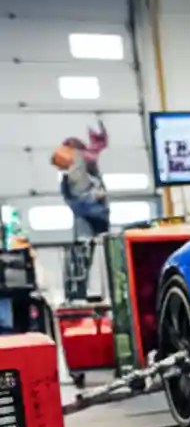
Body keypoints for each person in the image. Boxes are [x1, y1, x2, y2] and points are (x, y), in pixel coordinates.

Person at [51, 122, 110, 299]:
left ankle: (77, 293)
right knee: (84, 252)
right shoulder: (80, 161)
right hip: (90, 214)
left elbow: (76, 193)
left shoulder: (79, 163)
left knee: (84, 252)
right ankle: (77, 293)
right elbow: (80, 193)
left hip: (89, 214)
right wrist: (95, 196)